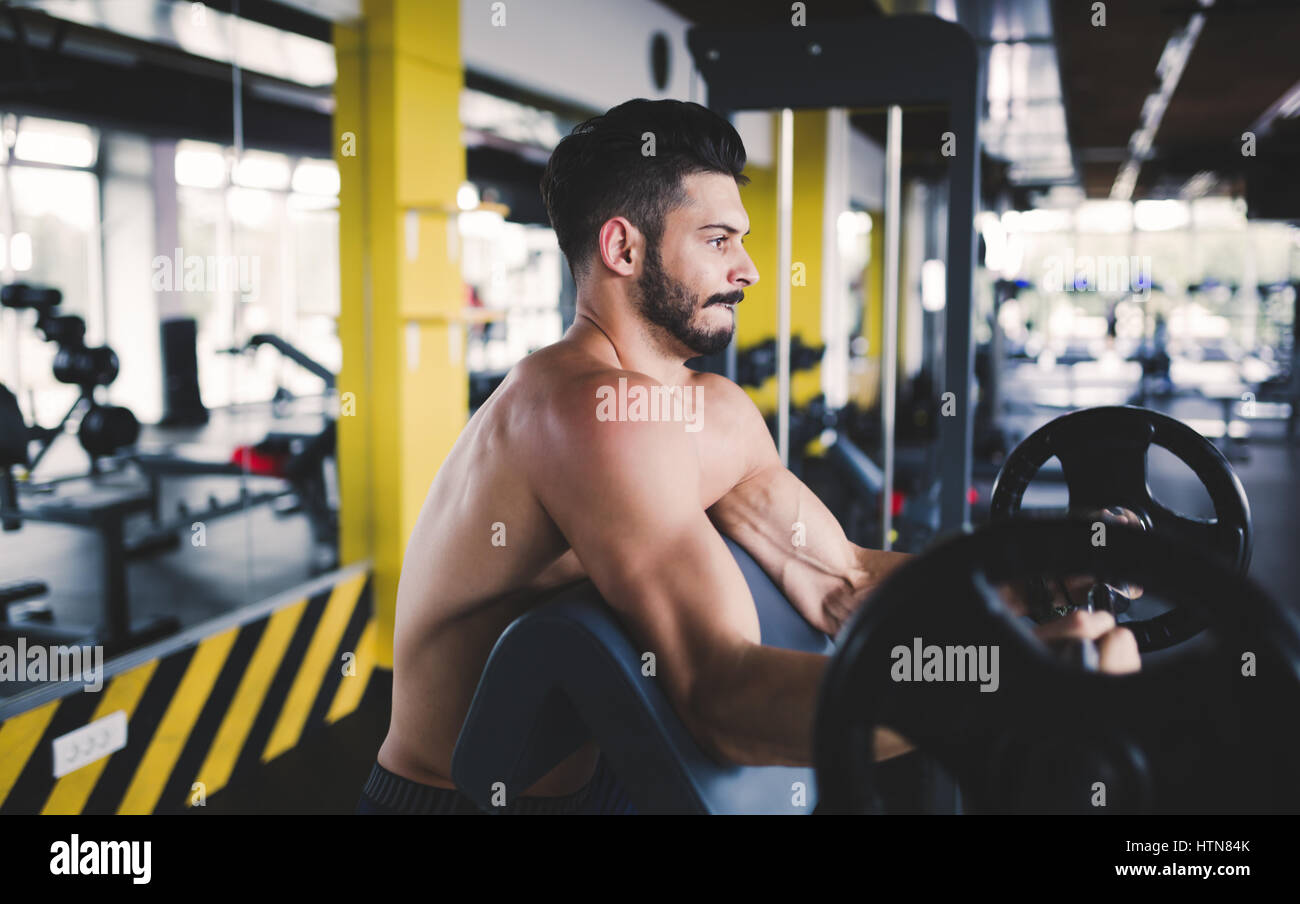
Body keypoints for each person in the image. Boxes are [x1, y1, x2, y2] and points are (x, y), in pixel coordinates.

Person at [357, 99, 1139, 815]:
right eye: (717, 240)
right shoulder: (579, 412)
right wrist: (992, 679)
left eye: (743, 241)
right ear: (623, 248)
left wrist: (1040, 571)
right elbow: (719, 696)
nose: (749, 269)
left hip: (598, 779)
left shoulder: (715, 414)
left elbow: (847, 582)